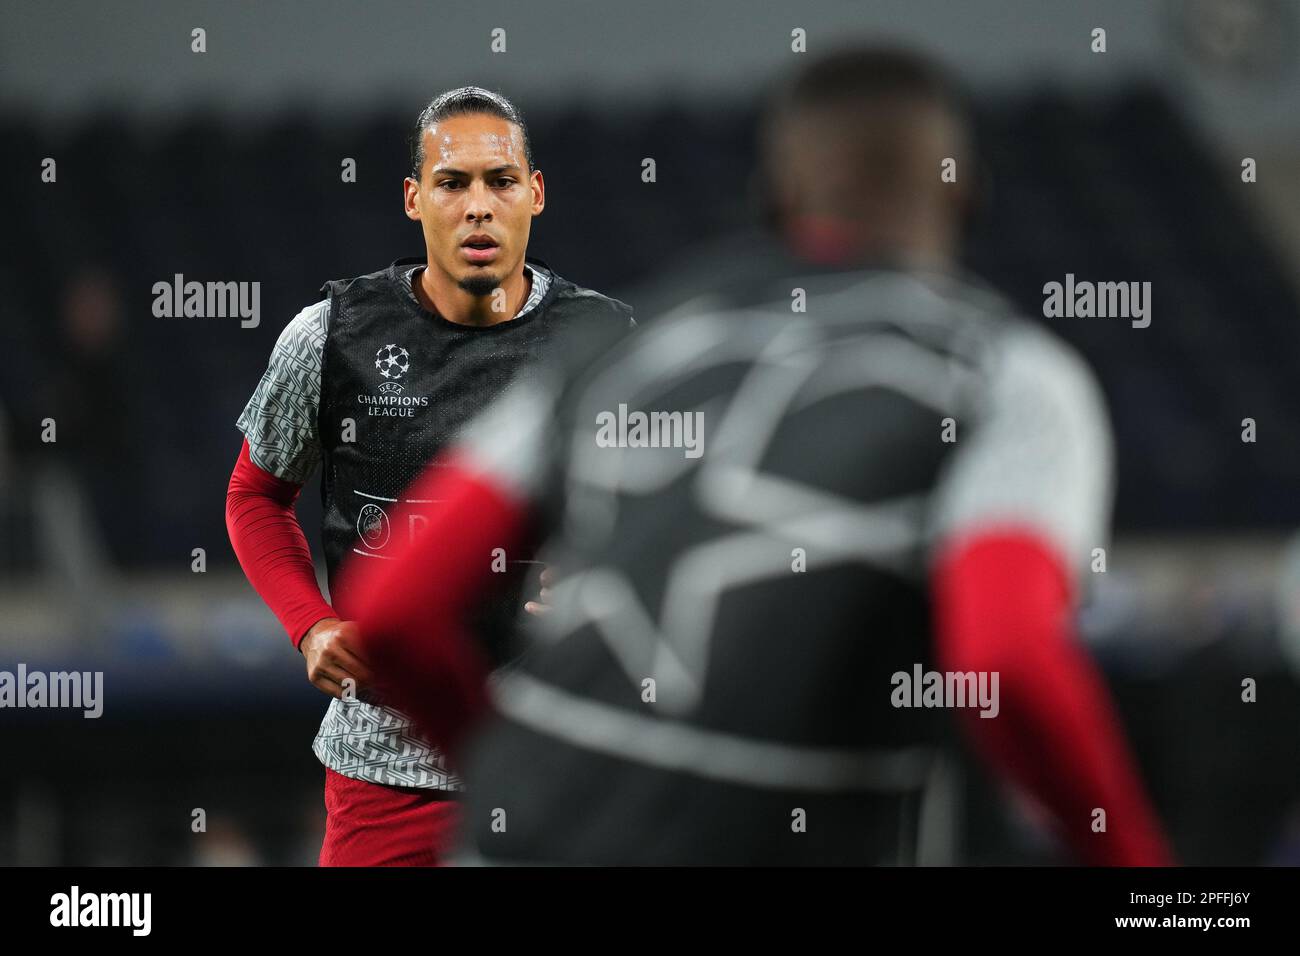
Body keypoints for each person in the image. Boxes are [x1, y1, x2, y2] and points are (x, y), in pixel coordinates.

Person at [339, 47, 1173, 865]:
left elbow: (394, 609)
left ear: (773, 193)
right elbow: (1007, 656)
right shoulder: (1011, 373)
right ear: (969, 193)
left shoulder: (624, 340)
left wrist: (506, 776)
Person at [225, 86, 633, 866]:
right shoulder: (330, 338)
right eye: (452, 183)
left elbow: (670, 514)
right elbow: (255, 495)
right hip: (388, 765)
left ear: (535, 194)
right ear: (415, 200)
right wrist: (308, 623)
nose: (478, 207)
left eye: (500, 181)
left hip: (564, 746)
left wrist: (595, 576)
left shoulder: (608, 342)